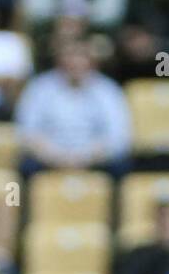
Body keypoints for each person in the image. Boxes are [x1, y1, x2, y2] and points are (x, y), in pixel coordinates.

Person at [14, 36, 132, 177]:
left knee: (121, 166)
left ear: (92, 60)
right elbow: (26, 132)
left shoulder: (108, 90)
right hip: (48, 158)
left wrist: (84, 158)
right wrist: (56, 157)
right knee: (25, 166)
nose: (76, 62)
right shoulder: (39, 88)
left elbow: (118, 138)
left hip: (95, 159)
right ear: (59, 59)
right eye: (70, 55)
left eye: (81, 56)